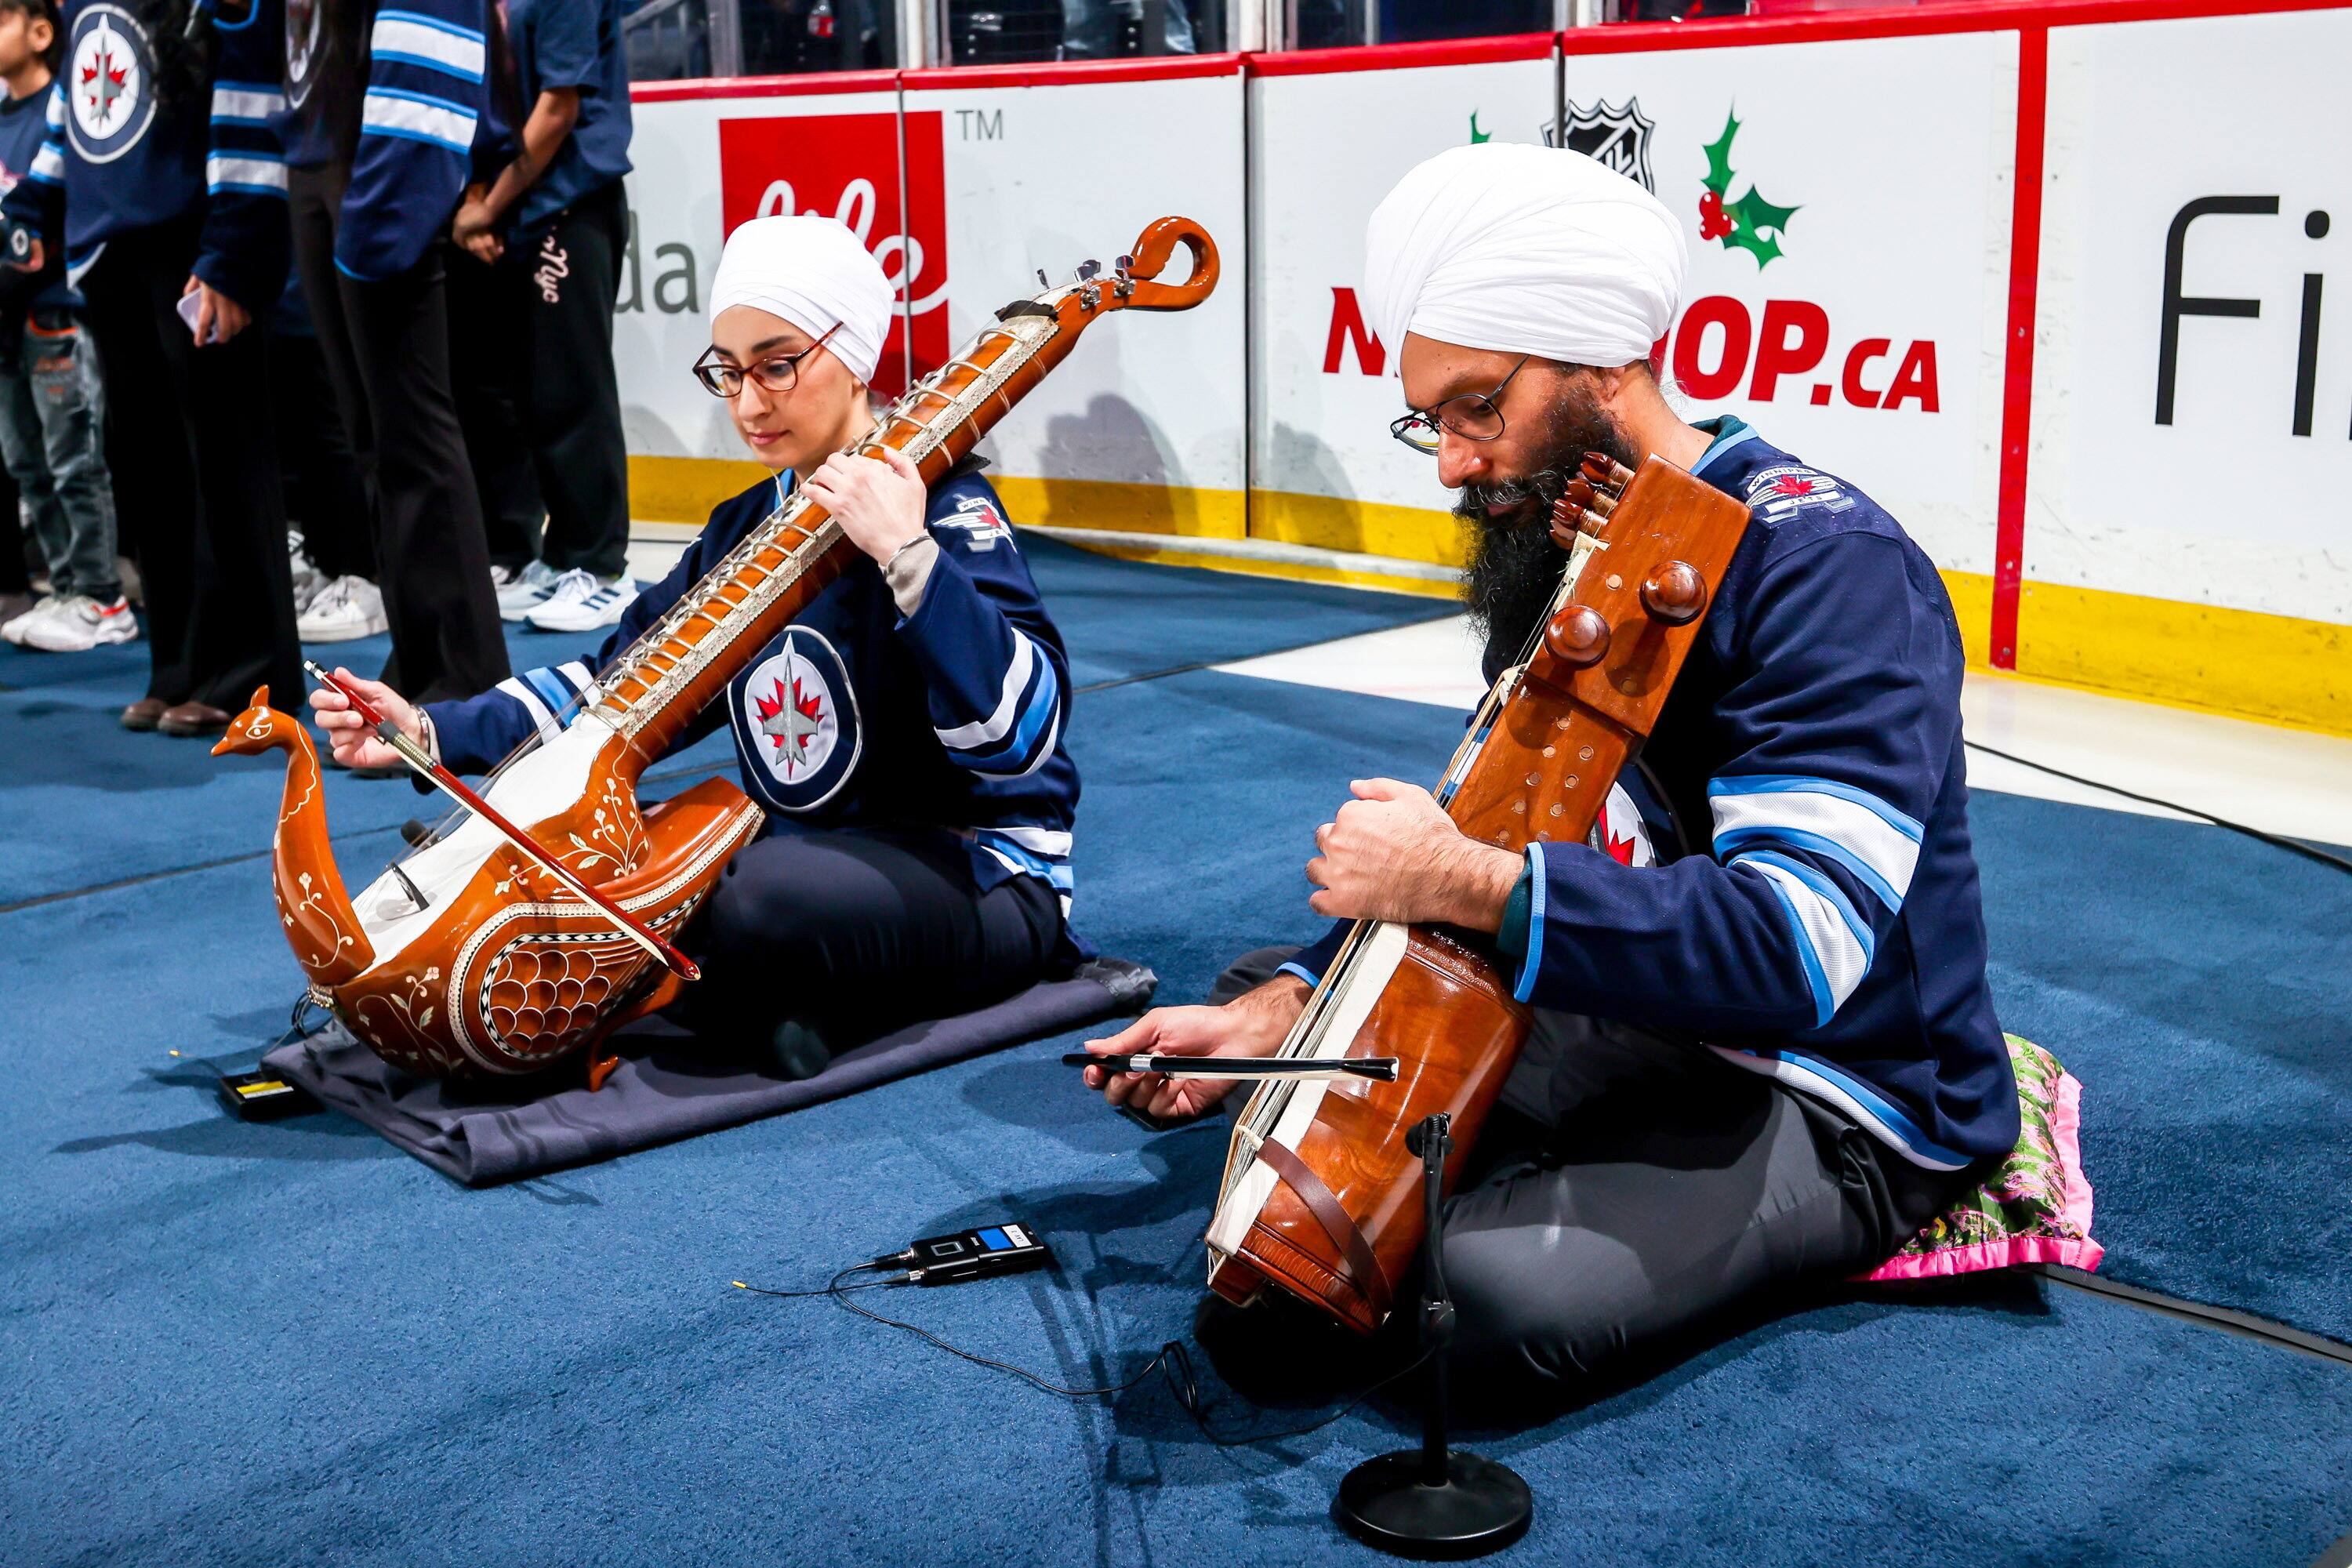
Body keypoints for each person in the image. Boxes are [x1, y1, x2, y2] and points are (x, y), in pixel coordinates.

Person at [1082, 143, 2019, 1412]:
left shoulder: (1829, 568)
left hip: (1837, 1080)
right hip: (1640, 1007)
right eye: (1433, 418)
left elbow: (1794, 952)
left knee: (1489, 1306)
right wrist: (1295, 1011)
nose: (1452, 462)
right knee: (1292, 1026)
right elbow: (1510, 822)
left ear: (1602, 368)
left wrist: (1462, 880)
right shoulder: (1574, 533)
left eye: (1479, 407)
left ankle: (1914, 1191)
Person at [310, 216, 1081, 1078]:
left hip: (981, 873)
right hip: (818, 857)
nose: (750, 402)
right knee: (614, 867)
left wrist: (911, 560)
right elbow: (608, 683)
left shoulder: (943, 507)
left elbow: (1024, 736)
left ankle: (766, 996)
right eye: (729, 372)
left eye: (778, 364)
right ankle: (776, 1002)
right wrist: (428, 729)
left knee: (747, 897)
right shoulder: (745, 528)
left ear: (855, 351)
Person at [2, 0, 300, 732]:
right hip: (108, 250)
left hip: (195, 243)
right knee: (148, 469)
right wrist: (31, 209)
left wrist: (234, 248)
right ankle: (180, 665)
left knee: (225, 462)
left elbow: (250, 90)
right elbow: (72, 108)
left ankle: (253, 677)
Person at [270, 0, 508, 704]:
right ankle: (422, 659)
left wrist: (386, 200)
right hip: (323, 149)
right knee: (376, 440)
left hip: (378, 159)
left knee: (414, 434)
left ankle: (465, 677)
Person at [451, 0, 634, 634]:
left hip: (567, 200)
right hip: (502, 208)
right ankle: (527, 552)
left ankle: (598, 565)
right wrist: (476, 203)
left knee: (569, 386)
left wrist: (487, 204)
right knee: (502, 392)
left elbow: (558, 110)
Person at [0, 0, 128, 655]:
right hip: (5, 318)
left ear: (41, 31)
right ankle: (66, 585)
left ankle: (103, 595)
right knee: (26, 462)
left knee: (73, 457)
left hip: (53, 309)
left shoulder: (61, 106)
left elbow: (40, 212)